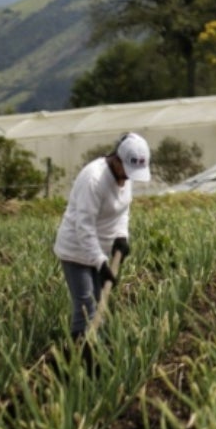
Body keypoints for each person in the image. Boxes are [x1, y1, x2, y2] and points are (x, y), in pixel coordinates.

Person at [53, 132, 151, 346]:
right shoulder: (94, 180)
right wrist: (100, 262)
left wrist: (122, 237)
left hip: (102, 250)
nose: (128, 177)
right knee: (86, 303)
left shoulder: (125, 175)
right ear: (117, 159)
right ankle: (79, 353)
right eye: (126, 171)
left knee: (100, 303)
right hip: (76, 249)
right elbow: (84, 226)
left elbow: (123, 210)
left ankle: (95, 348)